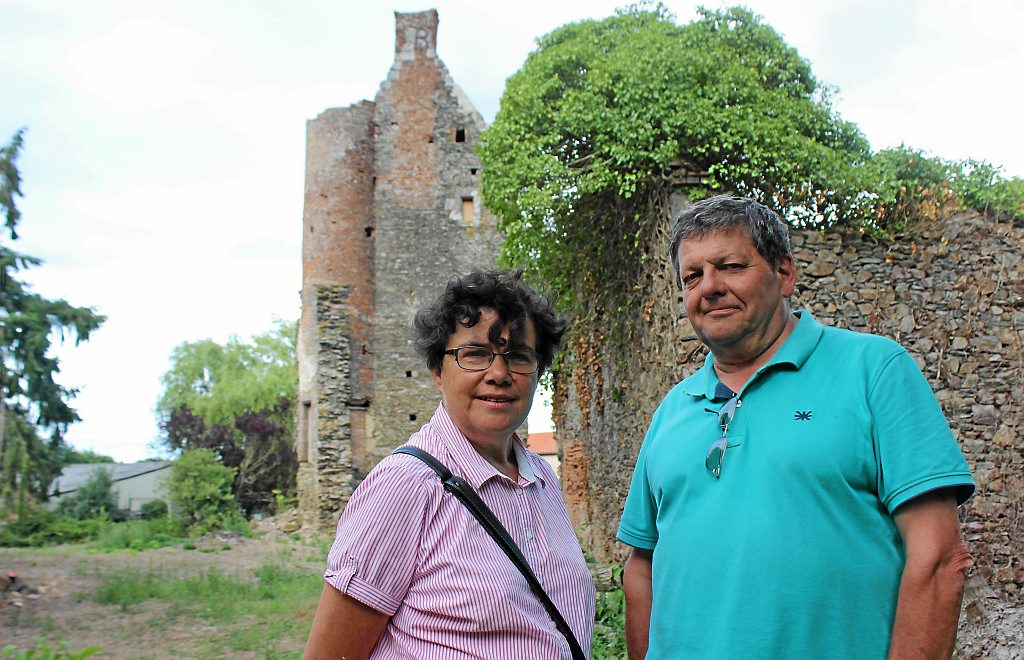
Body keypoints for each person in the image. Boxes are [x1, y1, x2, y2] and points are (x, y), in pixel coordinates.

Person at [617, 195, 975, 659]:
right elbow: (640, 567)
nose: (709, 287)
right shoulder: (673, 408)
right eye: (692, 276)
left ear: (784, 274)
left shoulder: (874, 371)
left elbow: (940, 559)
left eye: (730, 266)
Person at [305, 268, 596, 659]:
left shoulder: (541, 476)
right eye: (475, 353)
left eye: (518, 356)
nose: (499, 373)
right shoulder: (403, 488)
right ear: (437, 372)